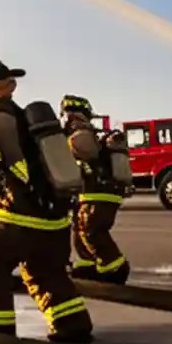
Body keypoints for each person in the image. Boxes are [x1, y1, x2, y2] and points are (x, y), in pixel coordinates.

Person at [0, 57, 93, 343]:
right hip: (54, 220)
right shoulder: (28, 121)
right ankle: (72, 325)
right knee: (47, 274)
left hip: (16, 218)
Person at [61, 95, 131, 285]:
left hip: (98, 193)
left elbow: (85, 151)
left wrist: (64, 142)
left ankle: (115, 268)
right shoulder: (92, 133)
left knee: (91, 230)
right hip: (95, 192)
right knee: (80, 229)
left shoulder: (81, 132)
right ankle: (87, 266)